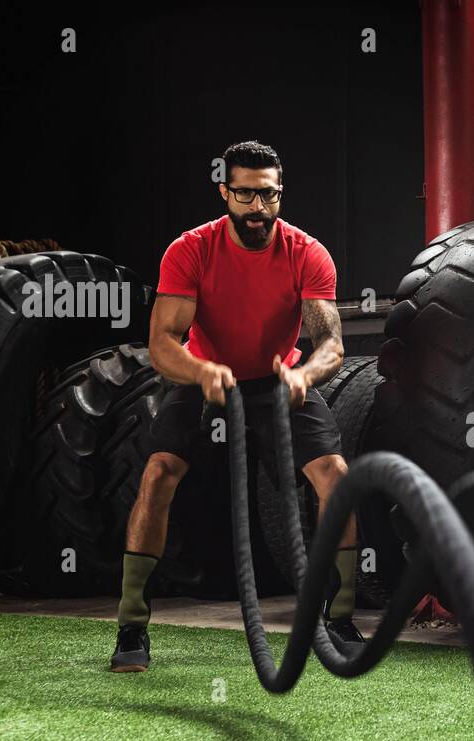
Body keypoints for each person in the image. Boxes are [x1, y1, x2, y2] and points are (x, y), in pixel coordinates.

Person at [110, 140, 361, 673]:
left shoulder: (306, 252)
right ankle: (132, 628)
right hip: (203, 375)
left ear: (279, 194)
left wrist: (302, 375)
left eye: (267, 195)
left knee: (336, 475)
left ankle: (339, 619)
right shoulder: (191, 250)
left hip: (277, 379)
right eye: (244, 195)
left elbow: (332, 346)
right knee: (158, 472)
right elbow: (160, 344)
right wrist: (201, 371)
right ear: (225, 192)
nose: (257, 208)